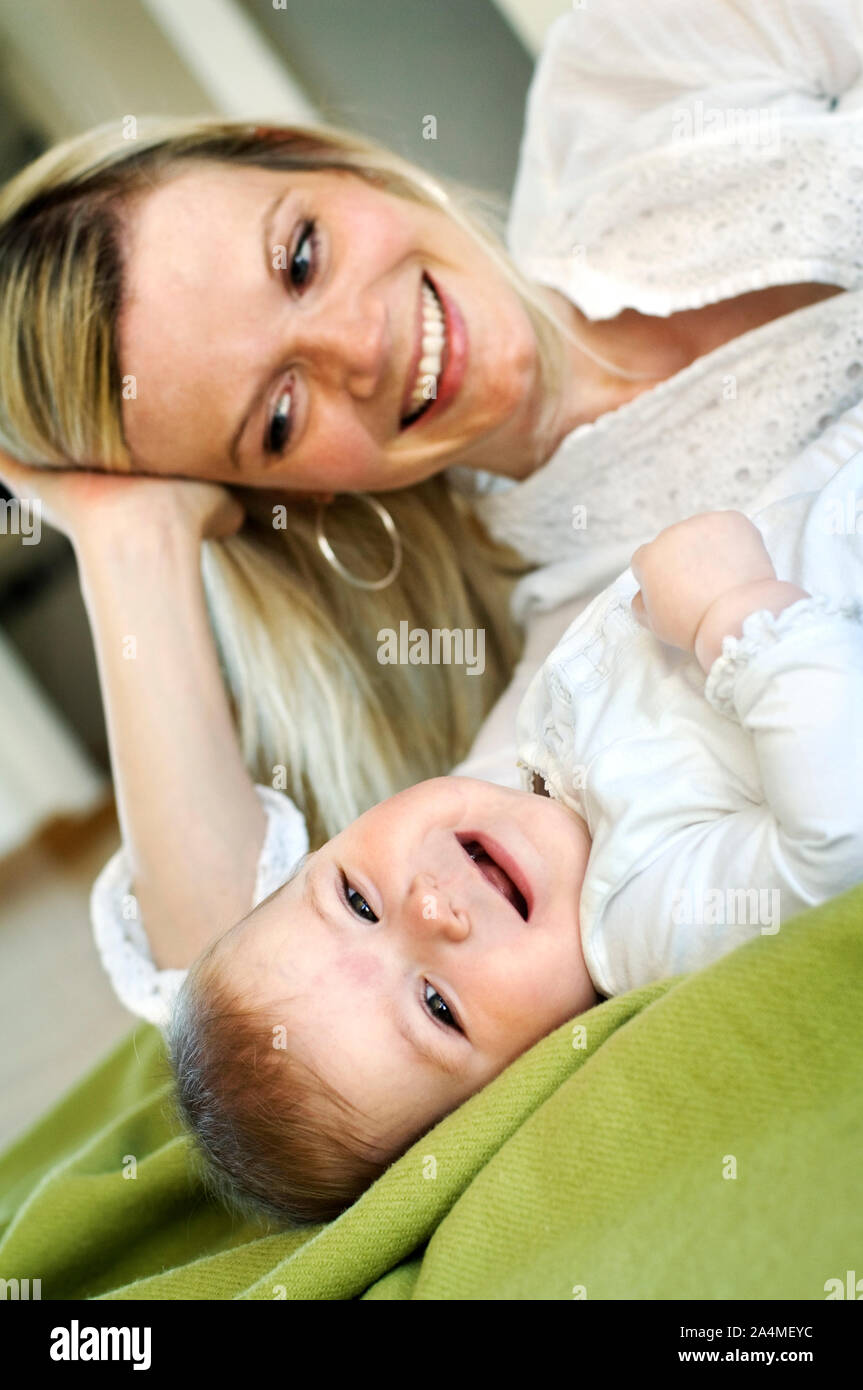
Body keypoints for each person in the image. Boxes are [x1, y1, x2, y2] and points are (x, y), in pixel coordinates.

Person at [2, 0, 863, 974]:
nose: (362, 346)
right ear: (306, 494)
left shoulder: (626, 69)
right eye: (278, 417)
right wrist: (130, 545)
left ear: (315, 158)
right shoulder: (597, 663)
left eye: (300, 257)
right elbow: (237, 976)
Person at [162, 445, 863, 1227]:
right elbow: (832, 844)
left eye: (355, 899)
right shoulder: (641, 914)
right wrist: (734, 613)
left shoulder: (542, 758)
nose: (429, 910)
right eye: (435, 1006)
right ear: (525, 1082)